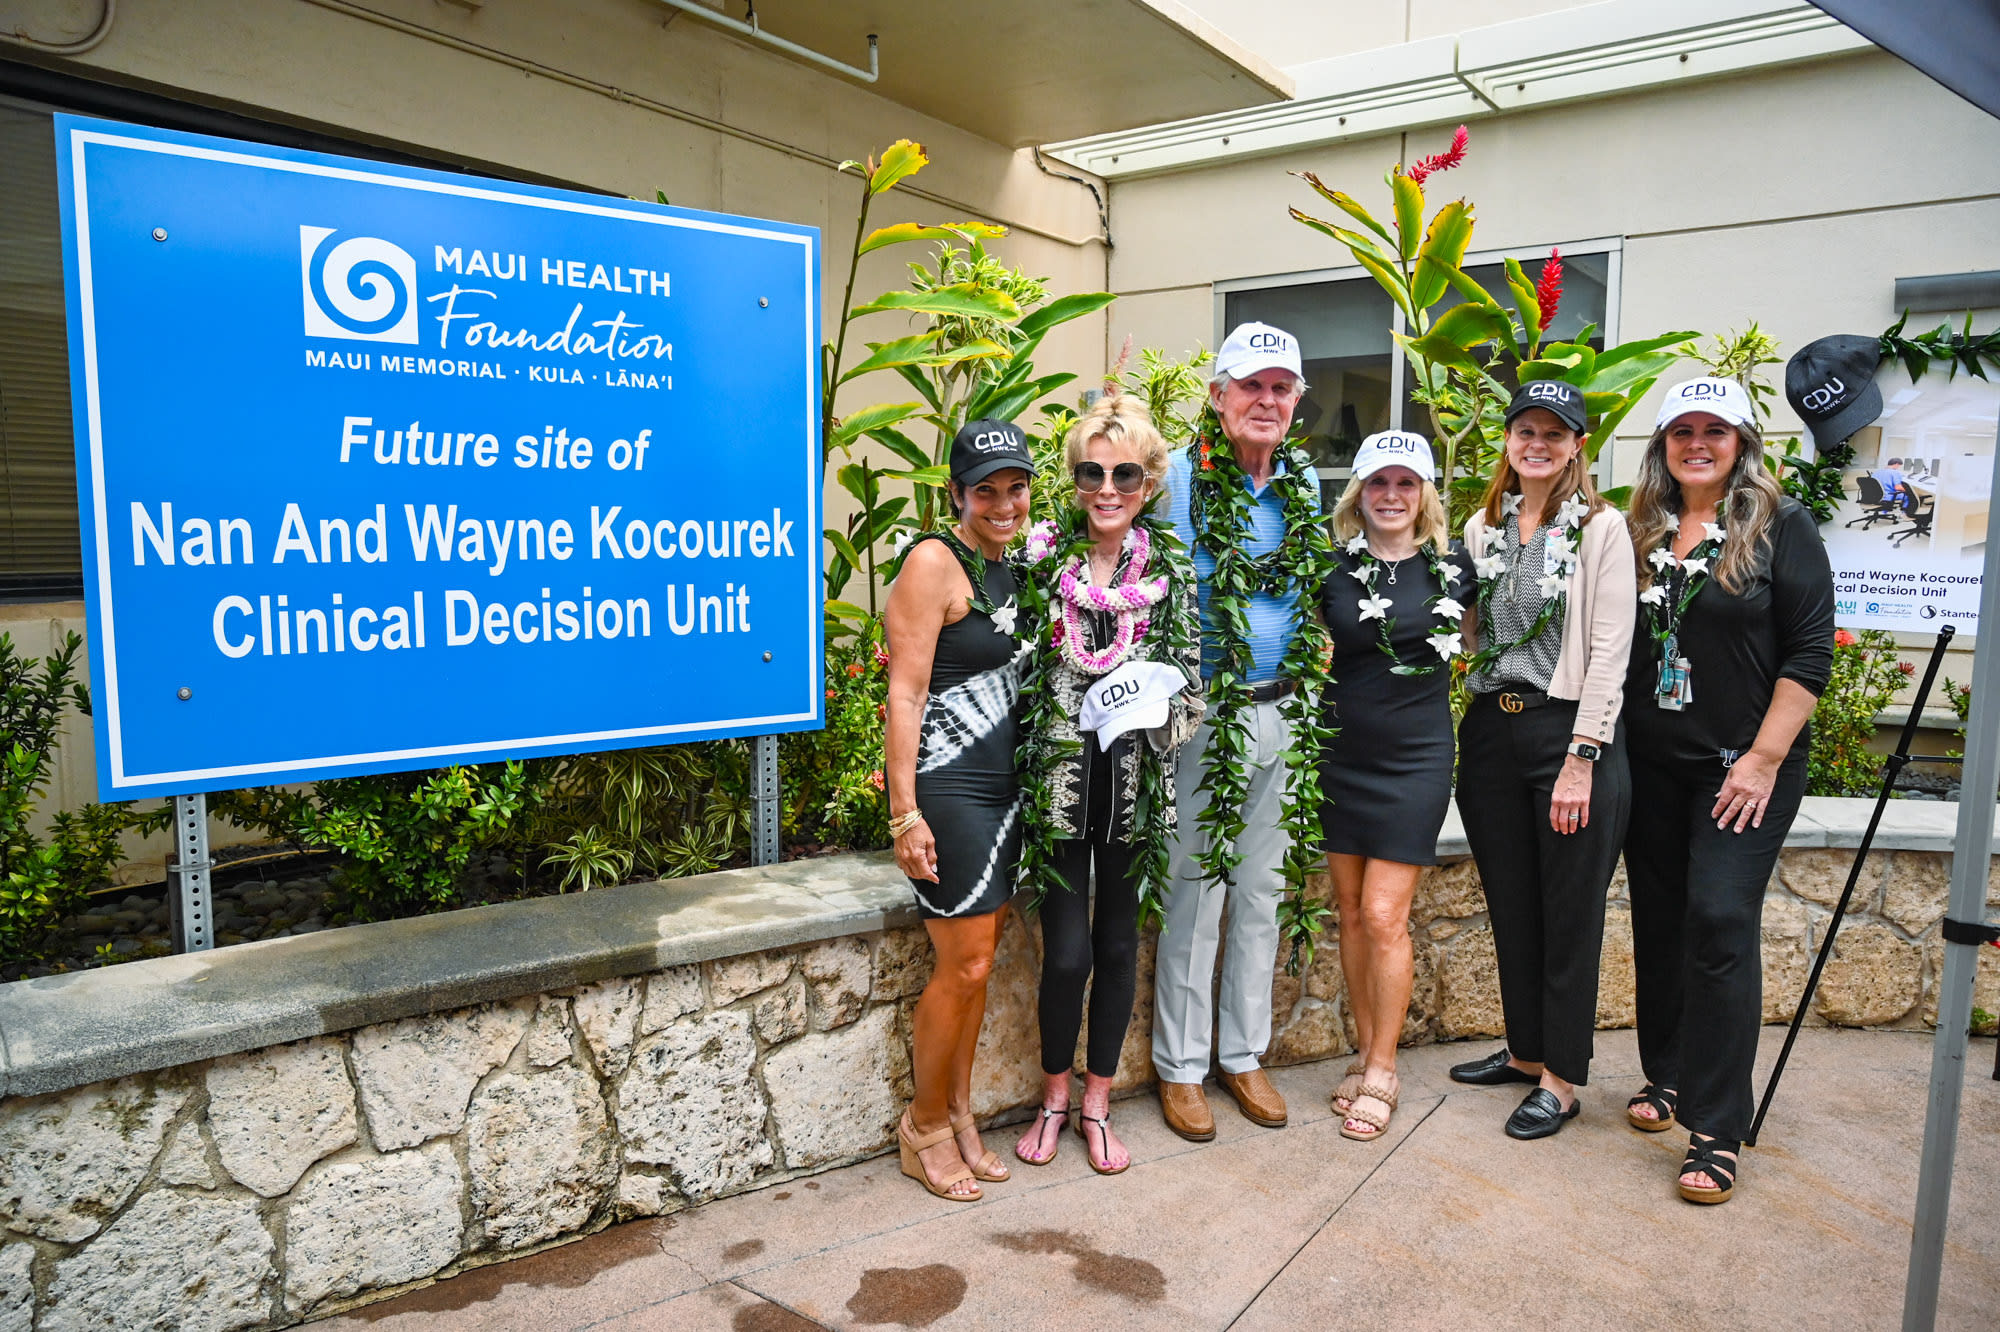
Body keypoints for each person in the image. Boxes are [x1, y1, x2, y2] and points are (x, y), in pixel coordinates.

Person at [1621, 377, 1835, 1205]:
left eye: (1716, 429)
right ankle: (1666, 1076)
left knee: (1717, 918)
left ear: (1742, 442)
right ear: (1663, 445)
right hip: (1653, 764)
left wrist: (1761, 759)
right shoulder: (1641, 530)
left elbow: (1809, 655)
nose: (1698, 442)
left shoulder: (1784, 528)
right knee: (1660, 920)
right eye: (1683, 430)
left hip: (1743, 771)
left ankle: (1717, 1126)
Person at [1152, 322, 1337, 1141]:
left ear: (1296, 402)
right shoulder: (1177, 480)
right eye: (1251, 386)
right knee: (1197, 890)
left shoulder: (1301, 481)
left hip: (1284, 707)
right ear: (1219, 395)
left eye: (1281, 388)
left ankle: (1243, 1054)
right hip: (1203, 713)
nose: (1267, 401)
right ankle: (1181, 1068)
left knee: (1261, 892)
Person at [1010, 392, 1203, 1175]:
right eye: (1092, 471)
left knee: (1118, 946)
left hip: (1134, 792)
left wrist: (1151, 718)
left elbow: (1190, 686)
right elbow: (1015, 667)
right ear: (1075, 478)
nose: (1108, 487)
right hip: (1057, 787)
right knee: (1065, 956)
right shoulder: (1041, 561)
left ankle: (1097, 1100)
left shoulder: (1170, 571)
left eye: (1125, 472)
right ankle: (1052, 1095)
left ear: (1150, 482)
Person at [1448, 379, 1636, 1141]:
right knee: (1512, 904)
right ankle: (1526, 1053)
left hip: (1567, 735)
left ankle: (1561, 1079)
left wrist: (1582, 756)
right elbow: (1472, 636)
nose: (1537, 443)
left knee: (1568, 913)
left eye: (1554, 434)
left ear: (1577, 445)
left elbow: (1610, 648)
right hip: (1492, 729)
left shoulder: (1601, 529)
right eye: (1526, 429)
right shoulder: (1481, 527)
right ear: (1507, 439)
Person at [883, 417, 1034, 1202]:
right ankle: (922, 1125)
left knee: (979, 968)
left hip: (1006, 791)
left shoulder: (1011, 567)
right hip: (951, 789)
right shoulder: (933, 563)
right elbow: (904, 693)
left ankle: (960, 1114)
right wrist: (905, 814)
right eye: (986, 490)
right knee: (964, 964)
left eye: (1016, 488)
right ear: (956, 494)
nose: (1003, 503)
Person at [1317, 431, 1469, 1142]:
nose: (1390, 496)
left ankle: (1383, 1069)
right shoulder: (1332, 574)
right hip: (1340, 756)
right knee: (1349, 912)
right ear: (1359, 493)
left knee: (1383, 915)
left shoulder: (1455, 571)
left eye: (1406, 484)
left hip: (1416, 761)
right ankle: (1362, 1052)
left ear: (1425, 496)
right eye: (1378, 483)